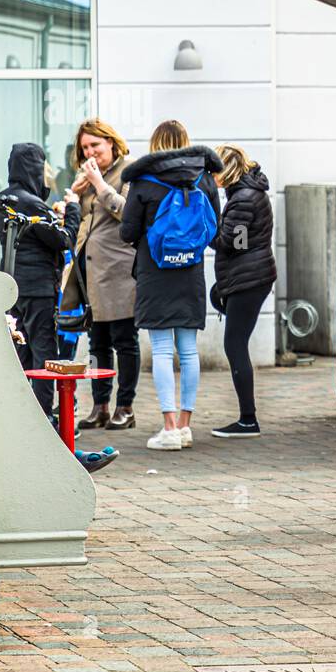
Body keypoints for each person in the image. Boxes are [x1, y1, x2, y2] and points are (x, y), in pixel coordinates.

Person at [119, 121, 221, 451]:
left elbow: (127, 232)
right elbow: (214, 227)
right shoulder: (205, 177)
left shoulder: (143, 180)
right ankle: (187, 425)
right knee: (188, 350)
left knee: (162, 350)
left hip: (155, 270)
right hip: (190, 270)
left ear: (157, 144)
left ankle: (169, 427)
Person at [0, 143, 81, 419]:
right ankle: (43, 420)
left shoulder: (2, 200)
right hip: (39, 289)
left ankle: (21, 415)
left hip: (12, 288)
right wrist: (74, 211)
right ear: (34, 168)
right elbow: (63, 240)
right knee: (44, 356)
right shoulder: (31, 204)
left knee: (21, 355)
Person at [66, 118, 139, 431]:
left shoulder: (129, 171)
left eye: (95, 144)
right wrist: (73, 195)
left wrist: (98, 184)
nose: (90, 152)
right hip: (92, 272)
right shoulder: (87, 177)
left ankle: (126, 406)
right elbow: (87, 220)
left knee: (124, 341)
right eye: (84, 147)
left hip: (120, 271)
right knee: (97, 344)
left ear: (111, 142)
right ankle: (101, 406)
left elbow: (128, 212)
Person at [211, 144, 277, 438]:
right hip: (253, 275)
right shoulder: (250, 192)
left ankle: (248, 420)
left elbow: (233, 243)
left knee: (234, 345)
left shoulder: (242, 199)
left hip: (249, 278)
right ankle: (247, 417)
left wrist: (208, 230)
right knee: (236, 344)